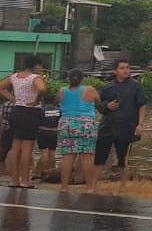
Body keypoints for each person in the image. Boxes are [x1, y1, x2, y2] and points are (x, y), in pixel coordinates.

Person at [0, 56, 47, 189]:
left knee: (16, 147)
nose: (41, 68)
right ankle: (24, 181)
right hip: (30, 112)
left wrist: (13, 98)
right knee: (27, 148)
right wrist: (36, 100)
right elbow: (41, 89)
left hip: (16, 111)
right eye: (40, 65)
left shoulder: (15, 76)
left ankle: (13, 180)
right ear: (35, 65)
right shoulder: (35, 78)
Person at [96, 60, 146, 193]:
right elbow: (98, 105)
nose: (126, 71)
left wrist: (140, 124)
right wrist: (106, 106)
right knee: (100, 157)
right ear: (115, 71)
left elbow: (141, 105)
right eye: (122, 68)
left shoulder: (136, 86)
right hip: (107, 126)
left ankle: (122, 187)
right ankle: (93, 185)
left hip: (127, 126)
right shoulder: (107, 87)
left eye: (128, 68)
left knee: (123, 158)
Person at [57, 69, 101, 193]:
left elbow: (59, 102)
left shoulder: (62, 91)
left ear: (68, 79)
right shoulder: (89, 89)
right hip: (85, 124)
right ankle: (90, 188)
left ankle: (64, 187)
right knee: (86, 157)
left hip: (66, 124)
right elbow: (98, 101)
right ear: (82, 79)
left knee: (67, 156)